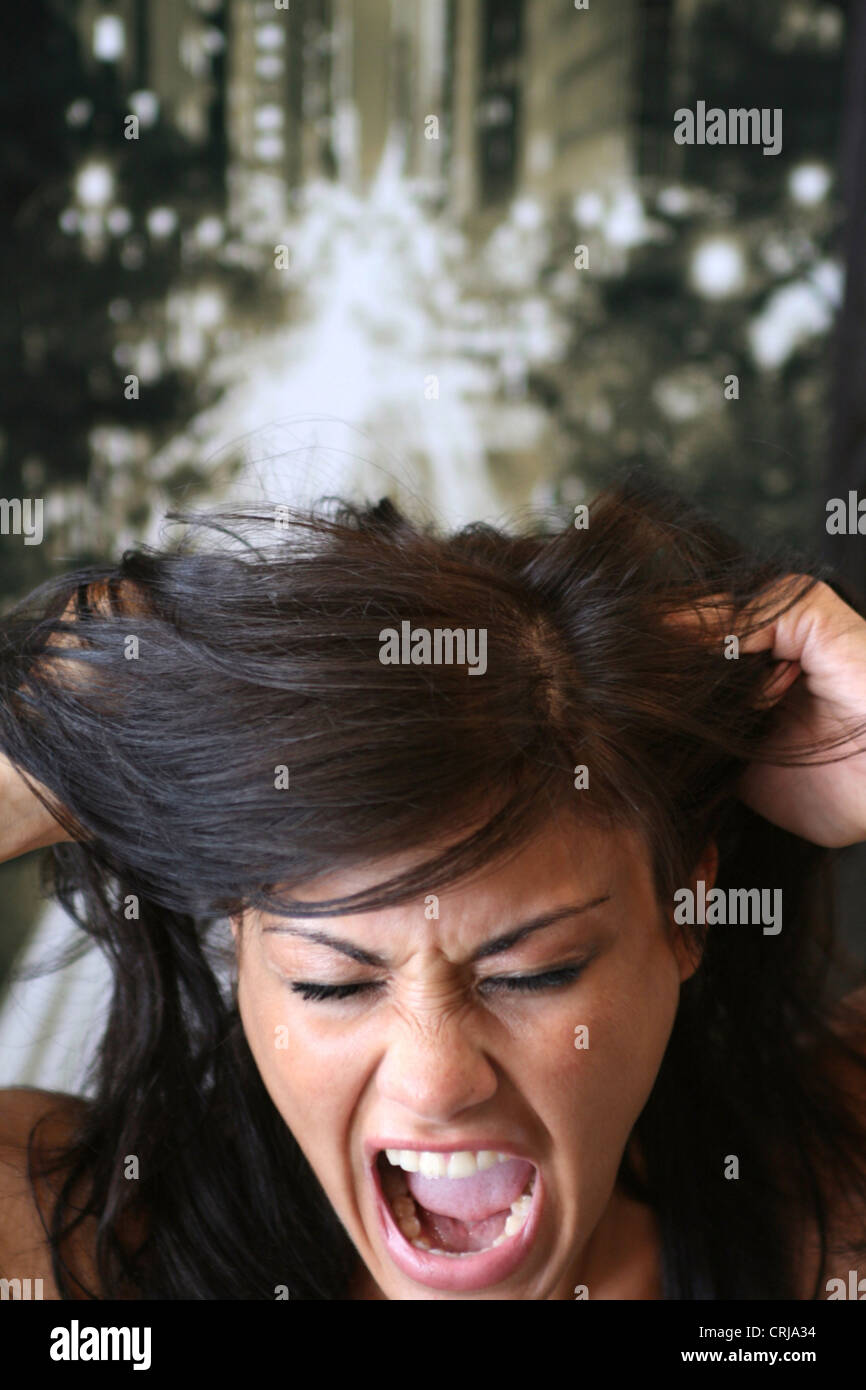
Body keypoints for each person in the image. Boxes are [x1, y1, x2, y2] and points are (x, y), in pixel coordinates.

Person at [0, 475, 865, 1301]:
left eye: (534, 974)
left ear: (690, 911)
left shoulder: (832, 1211)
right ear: (240, 944)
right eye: (332, 984)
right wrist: (45, 742)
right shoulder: (68, 1247)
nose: (437, 1083)